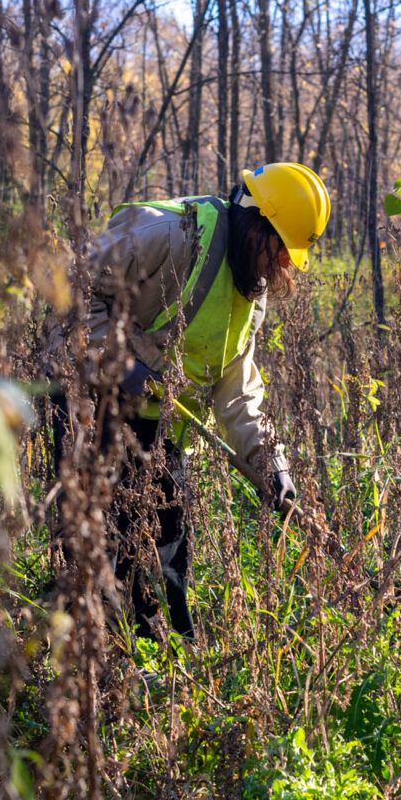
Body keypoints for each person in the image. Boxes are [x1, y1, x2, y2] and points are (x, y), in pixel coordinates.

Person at [60, 161, 331, 640]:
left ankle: (166, 664)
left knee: (167, 542)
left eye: (292, 257)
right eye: (282, 250)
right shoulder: (174, 234)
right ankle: (97, 665)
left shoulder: (251, 293)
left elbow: (237, 390)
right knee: (102, 542)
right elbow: (74, 284)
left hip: (159, 420)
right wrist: (116, 362)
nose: (285, 265)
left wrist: (273, 468)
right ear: (256, 224)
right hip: (94, 396)